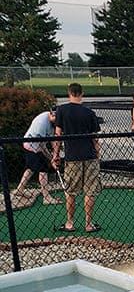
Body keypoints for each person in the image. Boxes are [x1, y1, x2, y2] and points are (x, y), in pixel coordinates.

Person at [52, 82, 102, 232]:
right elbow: (95, 138)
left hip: (72, 156)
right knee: (90, 190)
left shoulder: (62, 110)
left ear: (69, 93)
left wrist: (55, 155)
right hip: (89, 156)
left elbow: (58, 135)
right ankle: (88, 224)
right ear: (82, 94)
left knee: (70, 191)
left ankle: (70, 222)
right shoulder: (89, 113)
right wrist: (98, 154)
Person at [14, 109, 62, 205]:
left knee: (30, 169)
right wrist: (50, 157)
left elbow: (53, 139)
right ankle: (46, 197)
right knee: (43, 169)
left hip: (34, 145)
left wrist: (55, 155)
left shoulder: (52, 122)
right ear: (52, 116)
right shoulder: (41, 123)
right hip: (32, 146)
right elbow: (42, 146)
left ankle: (19, 190)